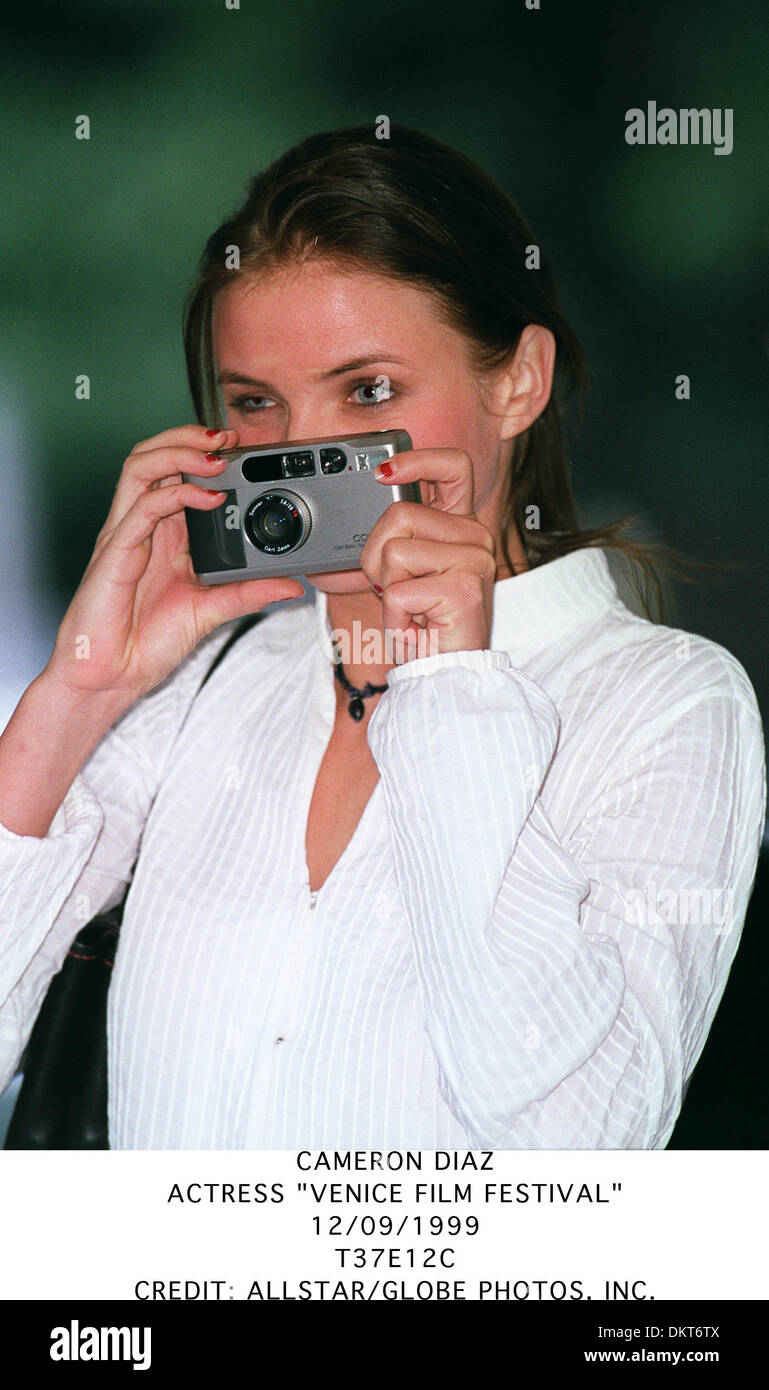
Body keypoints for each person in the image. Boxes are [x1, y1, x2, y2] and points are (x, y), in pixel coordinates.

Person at [0, 125, 764, 1149]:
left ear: (518, 382)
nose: (303, 450)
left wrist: (450, 683)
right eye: (255, 403)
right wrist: (79, 691)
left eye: (367, 390)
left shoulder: (665, 702)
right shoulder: (196, 684)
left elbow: (572, 1144)